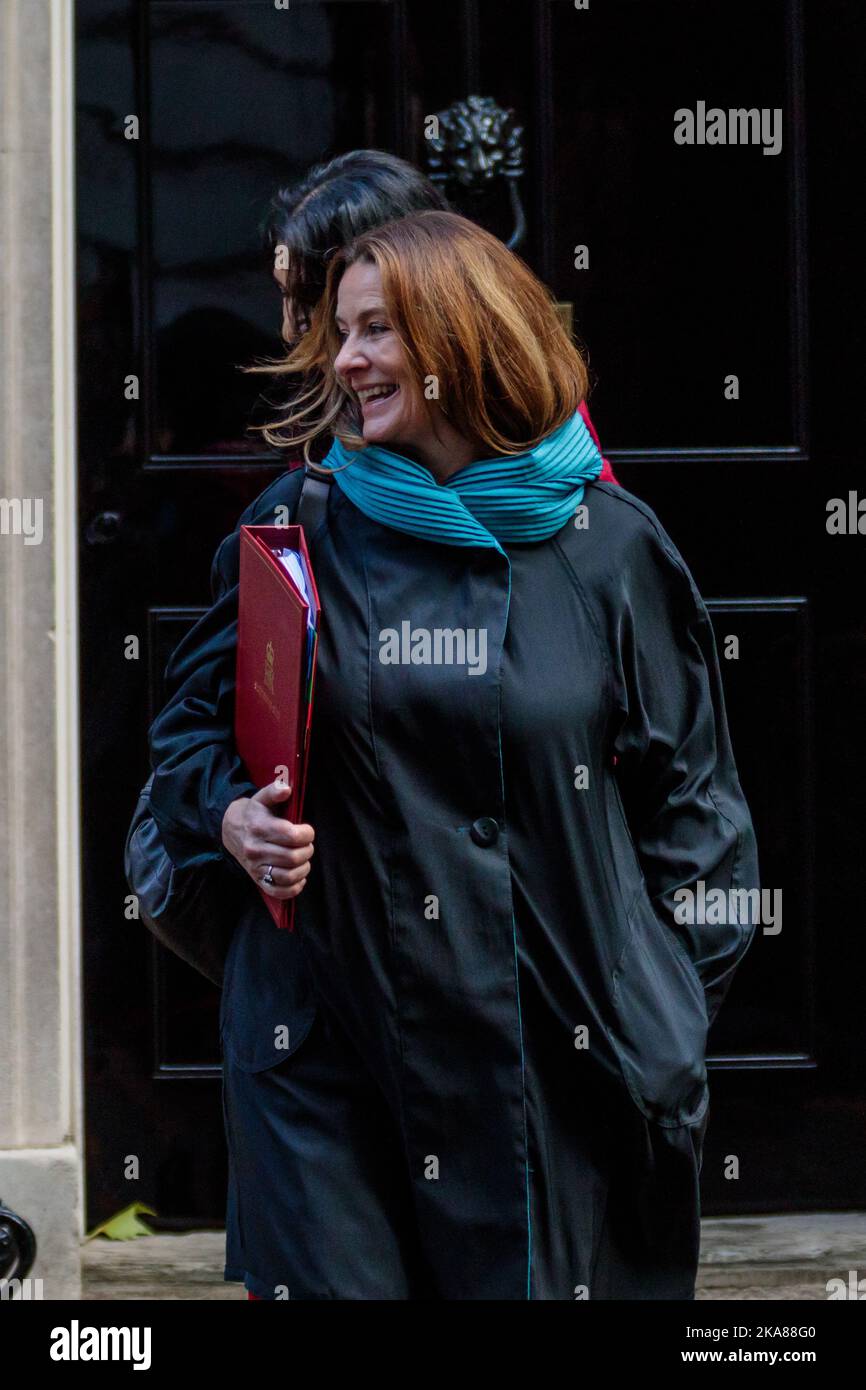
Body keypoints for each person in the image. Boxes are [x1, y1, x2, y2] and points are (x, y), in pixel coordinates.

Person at [147, 208, 759, 1300]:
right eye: (340, 331)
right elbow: (189, 737)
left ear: (459, 339)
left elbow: (698, 816)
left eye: (375, 329)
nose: (344, 359)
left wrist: (649, 1009)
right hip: (332, 1052)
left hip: (556, 1063)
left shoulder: (606, 545)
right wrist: (231, 818)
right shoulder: (299, 523)